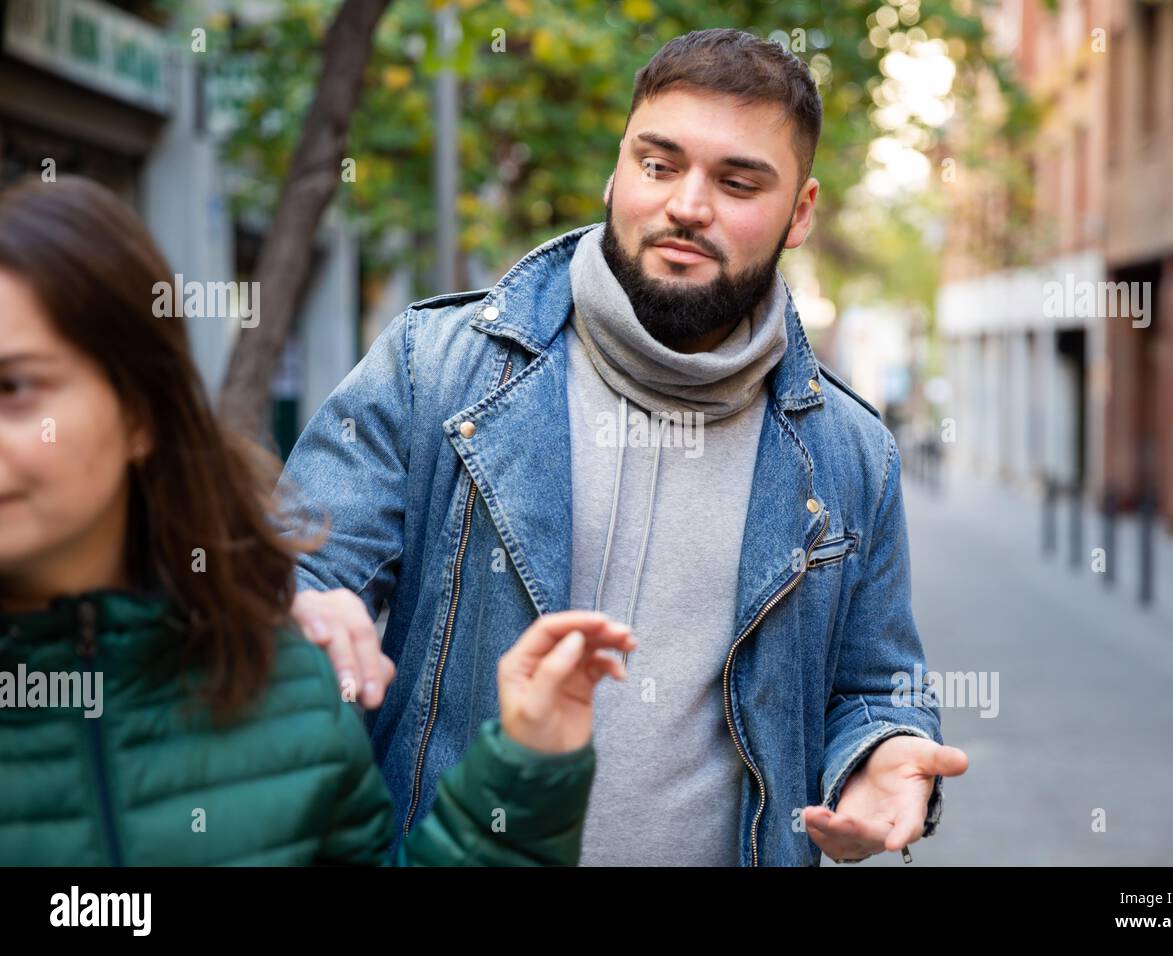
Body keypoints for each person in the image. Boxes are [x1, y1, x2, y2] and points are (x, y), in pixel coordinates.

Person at [280, 28, 967, 866]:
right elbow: (294, 575)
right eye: (658, 163)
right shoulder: (437, 367)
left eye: (738, 181)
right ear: (617, 170)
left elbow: (874, 683)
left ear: (802, 212)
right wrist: (300, 607)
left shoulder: (852, 452)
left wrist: (887, 750)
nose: (687, 204)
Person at [0, 175, 634, 865]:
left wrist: (525, 777)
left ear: (141, 411)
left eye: (15, 388)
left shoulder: (288, 694)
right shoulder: (428, 359)